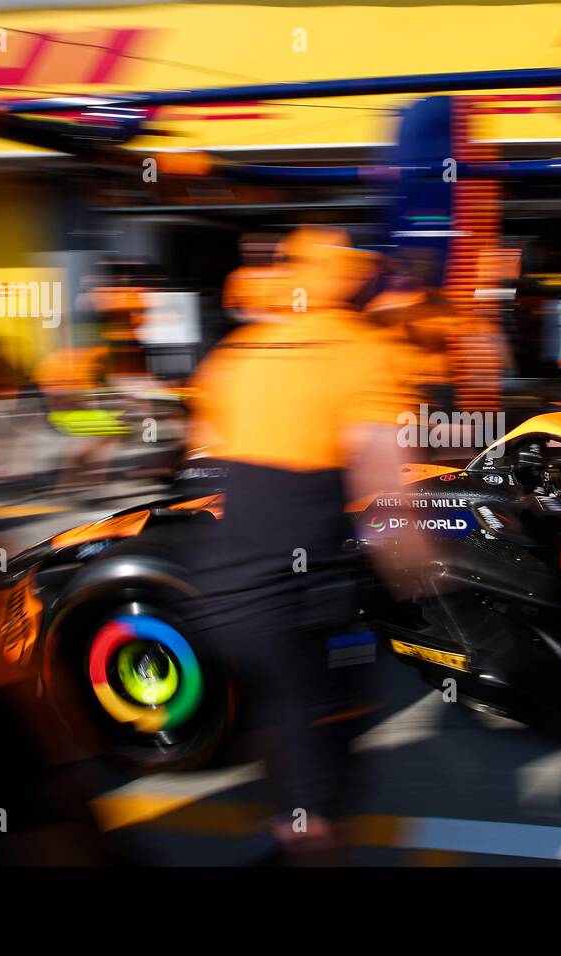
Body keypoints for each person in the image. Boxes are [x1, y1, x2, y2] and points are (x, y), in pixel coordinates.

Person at [185, 226, 436, 862]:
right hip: (299, 596)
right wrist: (414, 573)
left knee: (284, 729)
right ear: (350, 280)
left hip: (222, 586)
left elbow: (202, 460)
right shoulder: (363, 352)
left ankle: (293, 821)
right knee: (320, 754)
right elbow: (385, 486)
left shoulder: (236, 351)